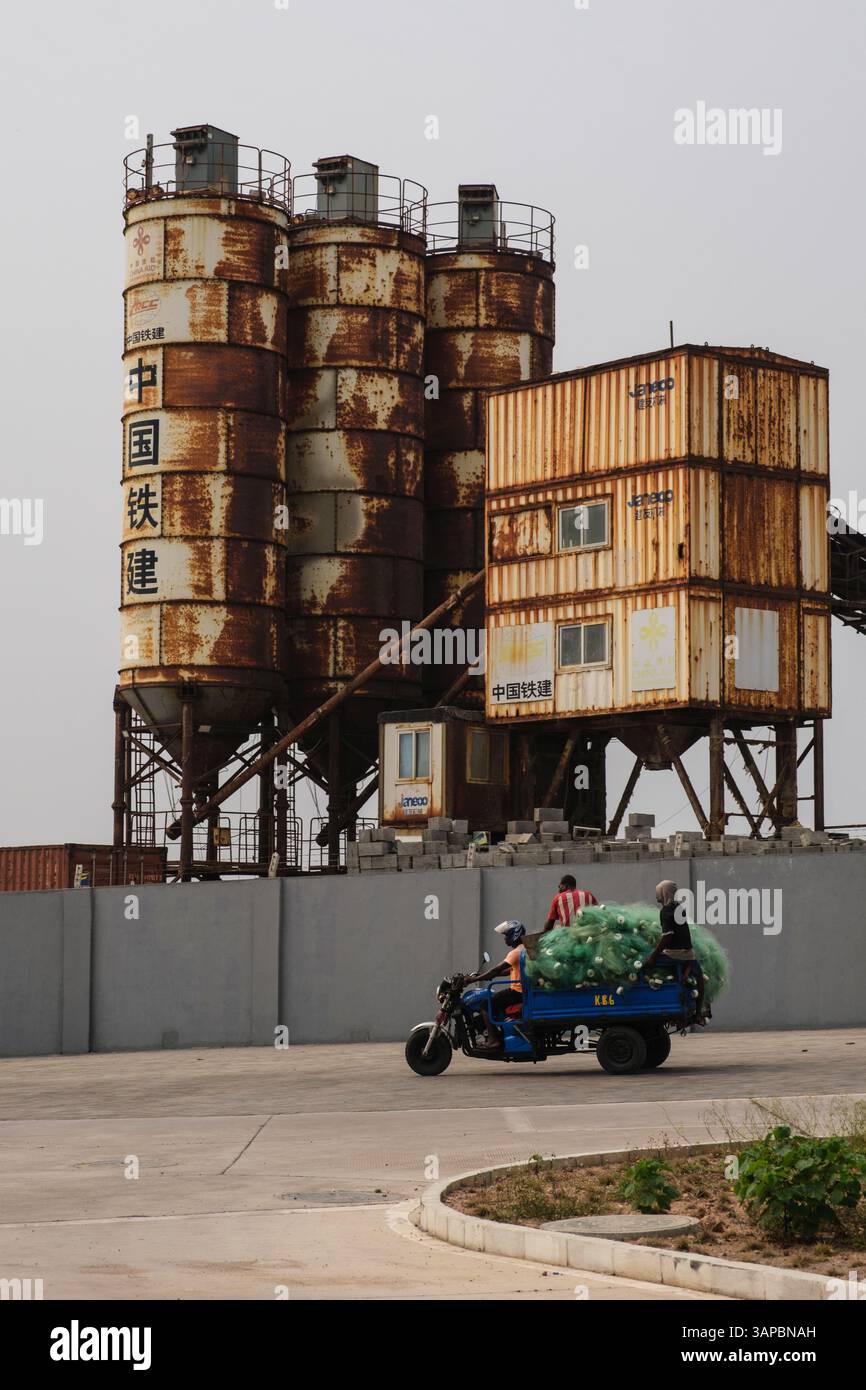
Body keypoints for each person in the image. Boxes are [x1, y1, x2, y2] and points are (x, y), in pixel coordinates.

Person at [643, 879, 710, 1023]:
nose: (657, 896)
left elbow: (668, 936)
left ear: (664, 893)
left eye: (658, 892)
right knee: (699, 977)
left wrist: (653, 956)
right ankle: (699, 1012)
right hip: (688, 953)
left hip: (674, 954)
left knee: (646, 963)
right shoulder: (679, 908)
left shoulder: (666, 911)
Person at [466, 919, 529, 1050]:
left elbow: (496, 969)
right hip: (522, 991)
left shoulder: (515, 952)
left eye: (506, 935)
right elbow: (508, 971)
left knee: (484, 1004)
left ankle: (493, 1040)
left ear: (514, 935)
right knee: (493, 1002)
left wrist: (472, 980)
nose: (505, 939)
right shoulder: (524, 948)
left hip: (517, 992)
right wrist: (484, 976)